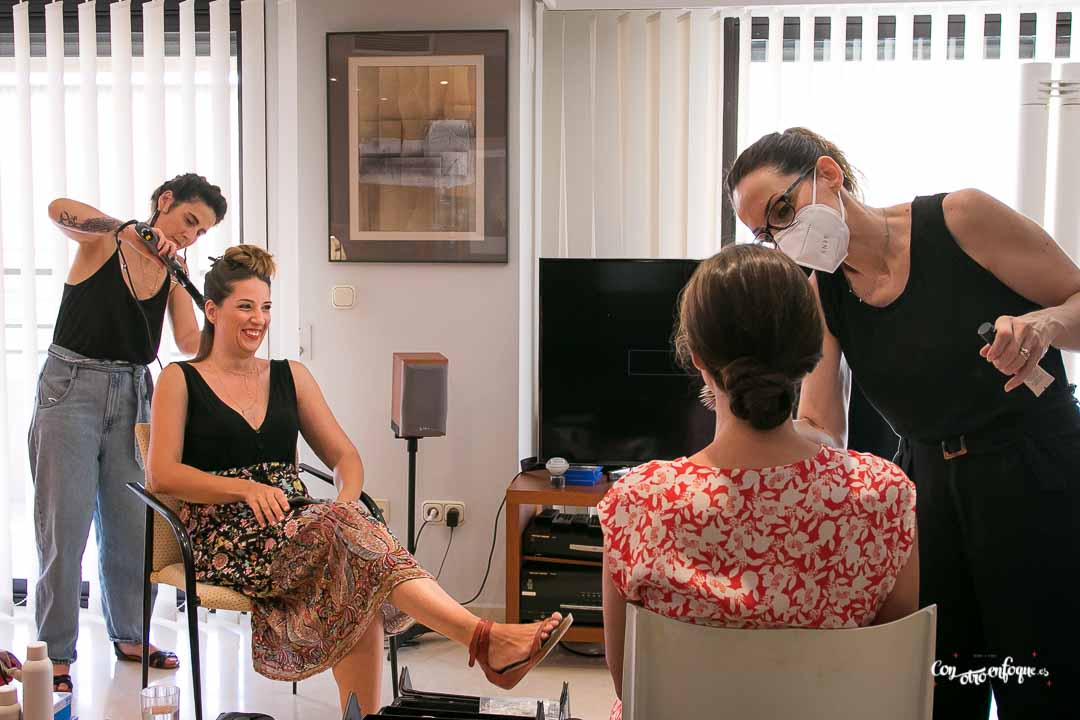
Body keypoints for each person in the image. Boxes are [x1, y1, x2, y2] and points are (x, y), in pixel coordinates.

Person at [726, 127, 1080, 720]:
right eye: (767, 234)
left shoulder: (960, 219)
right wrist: (749, 443)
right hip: (929, 498)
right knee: (944, 687)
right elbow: (819, 421)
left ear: (829, 174)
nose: (783, 237)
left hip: (1035, 475)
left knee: (1044, 680)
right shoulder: (824, 296)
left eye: (783, 210)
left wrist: (1043, 326)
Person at [146, 245, 572, 713]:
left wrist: (346, 502)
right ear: (212, 309)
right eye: (245, 306)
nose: (258, 319)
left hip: (299, 525)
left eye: (266, 307)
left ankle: (403, 691)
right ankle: (482, 639)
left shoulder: (291, 376)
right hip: (226, 535)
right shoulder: (180, 380)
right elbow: (161, 473)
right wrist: (244, 488)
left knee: (352, 550)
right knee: (351, 552)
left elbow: (345, 456)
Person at [597, 244, 918, 720]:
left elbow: (631, 684)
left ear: (698, 355)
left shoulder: (638, 503)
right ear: (810, 355)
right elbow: (895, 676)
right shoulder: (884, 495)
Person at [31, 174, 226, 693]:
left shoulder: (174, 269)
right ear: (164, 203)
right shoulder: (104, 240)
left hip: (136, 392)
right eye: (189, 221)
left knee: (131, 527)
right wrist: (131, 230)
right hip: (71, 387)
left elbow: (187, 339)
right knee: (63, 526)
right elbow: (57, 204)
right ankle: (56, 655)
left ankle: (132, 636)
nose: (191, 236)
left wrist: (228, 319)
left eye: (201, 231)